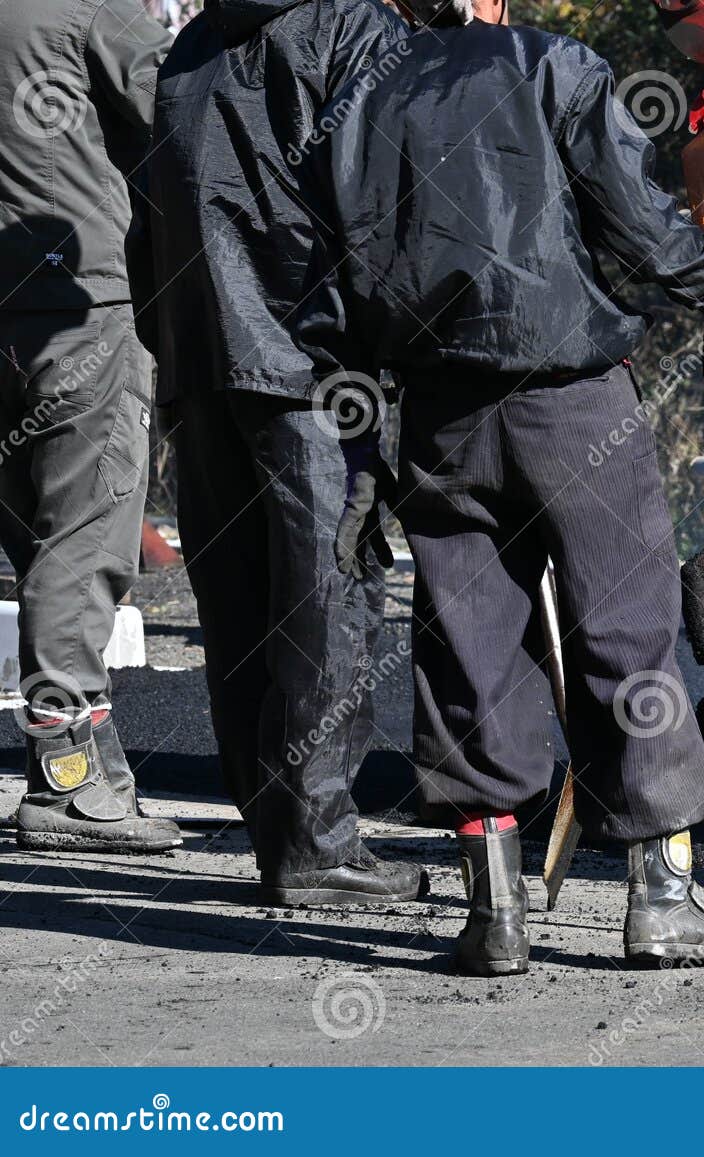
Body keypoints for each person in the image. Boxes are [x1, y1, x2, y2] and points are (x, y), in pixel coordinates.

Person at [295, 0, 704, 974]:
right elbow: (636, 215)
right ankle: (661, 897)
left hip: (436, 414)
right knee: (625, 627)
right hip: (571, 398)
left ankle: (494, 914)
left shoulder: (358, 99)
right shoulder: (556, 66)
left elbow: (324, 271)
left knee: (466, 641)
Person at [141, 0, 426, 904]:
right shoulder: (355, 29)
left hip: (205, 354)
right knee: (327, 598)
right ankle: (318, 843)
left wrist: (176, 346)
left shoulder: (192, 45)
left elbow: (155, 207)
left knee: (239, 602)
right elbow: (379, 202)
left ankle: (278, 828)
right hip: (309, 364)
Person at [0, 0, 180, 852]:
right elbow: (187, 112)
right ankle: (67, 779)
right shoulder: (85, 9)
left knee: (42, 546)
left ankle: (94, 766)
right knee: (81, 540)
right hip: (81, 312)